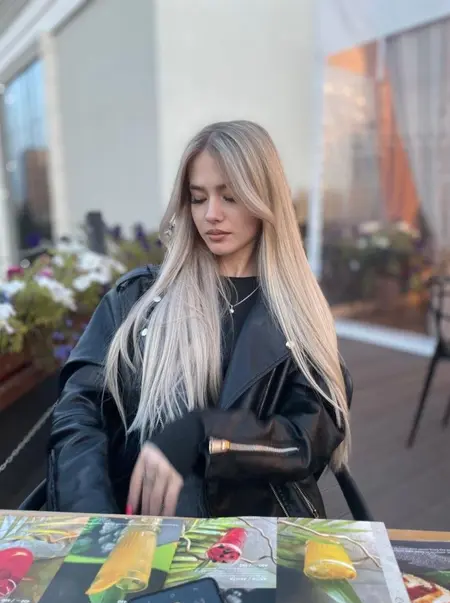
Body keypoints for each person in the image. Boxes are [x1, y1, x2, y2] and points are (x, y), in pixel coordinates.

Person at [47, 120, 351, 518]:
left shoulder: (297, 312)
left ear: (264, 199)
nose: (211, 214)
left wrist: (204, 434)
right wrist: (90, 514)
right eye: (198, 198)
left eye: (230, 196)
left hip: (261, 536)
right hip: (144, 533)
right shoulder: (138, 300)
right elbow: (78, 411)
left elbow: (307, 439)